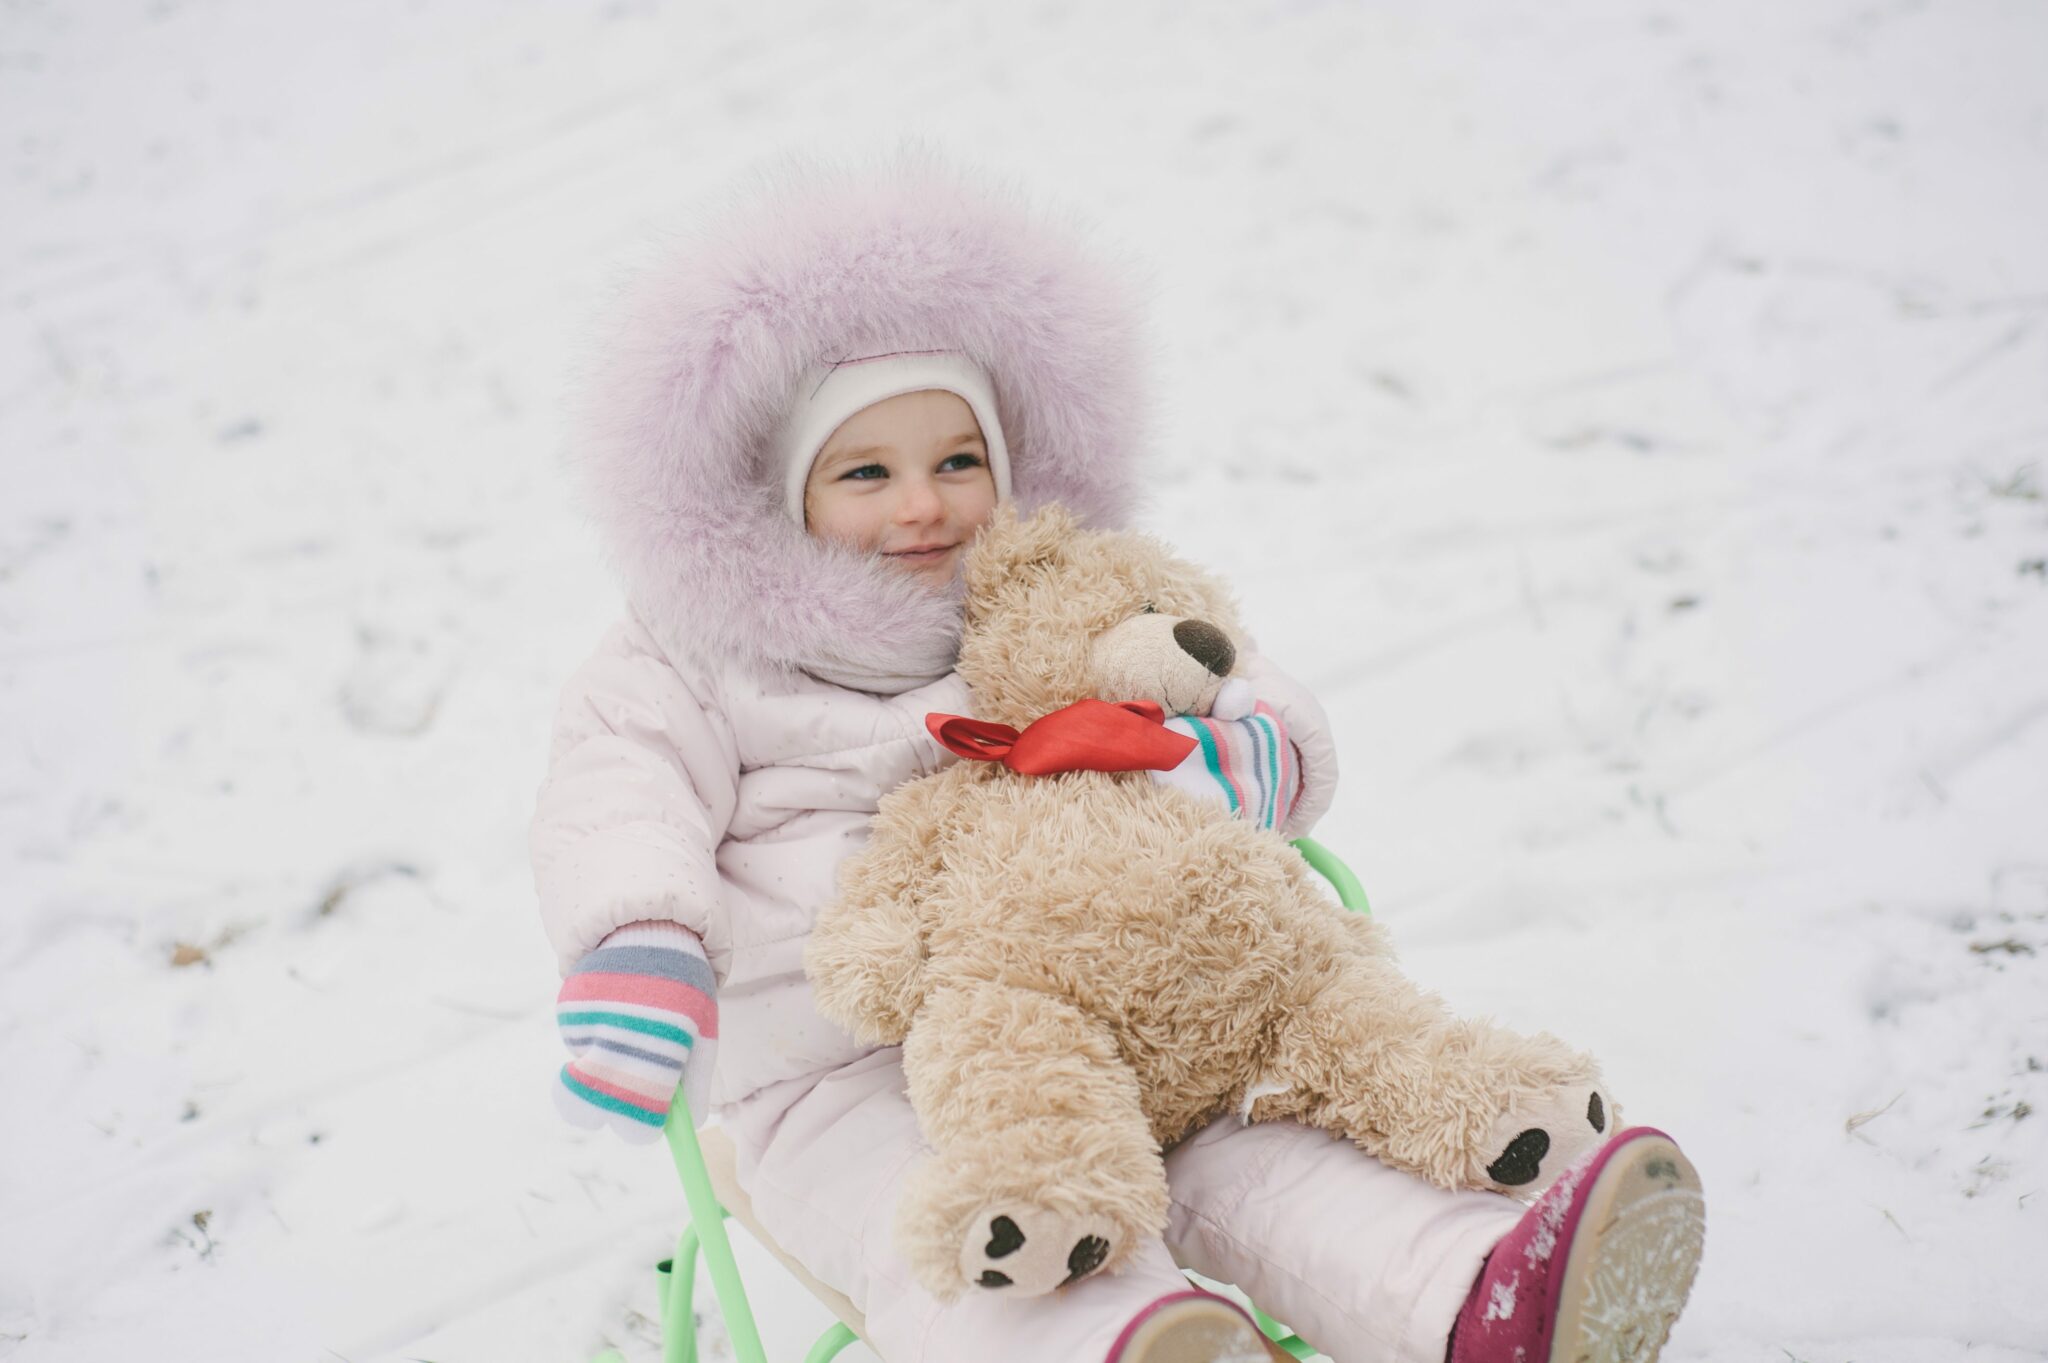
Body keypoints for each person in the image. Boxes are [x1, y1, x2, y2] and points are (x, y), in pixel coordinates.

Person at [533, 143, 1704, 1363]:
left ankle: (1476, 1298)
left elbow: (1216, 665)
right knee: (962, 1222)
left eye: (956, 461)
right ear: (783, 493)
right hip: (841, 1059)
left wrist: (1237, 756)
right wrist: (641, 937)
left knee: (1256, 1168)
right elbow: (612, 784)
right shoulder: (696, 645)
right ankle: (1114, 1347)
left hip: (1134, 1007)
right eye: (864, 472)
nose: (921, 505)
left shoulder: (1044, 584)